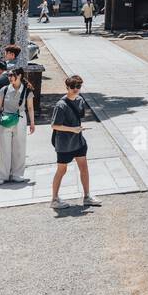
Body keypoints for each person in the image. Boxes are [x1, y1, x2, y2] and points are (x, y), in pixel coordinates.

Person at [50, 75, 99, 208]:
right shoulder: (61, 105)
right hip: (64, 144)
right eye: (73, 87)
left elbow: (78, 117)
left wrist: (77, 129)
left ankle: (87, 196)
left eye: (78, 86)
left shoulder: (80, 100)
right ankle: (54, 200)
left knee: (84, 167)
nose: (76, 89)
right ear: (67, 87)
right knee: (62, 170)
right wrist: (73, 129)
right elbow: (54, 125)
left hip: (78, 141)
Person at [0, 67, 35, 184]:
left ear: (20, 76)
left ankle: (17, 174)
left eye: (12, 75)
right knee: (4, 148)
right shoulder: (4, 89)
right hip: (5, 119)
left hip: (20, 118)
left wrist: (32, 123)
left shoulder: (27, 90)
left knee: (19, 147)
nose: (9, 77)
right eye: (9, 75)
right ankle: (3, 175)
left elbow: (30, 108)